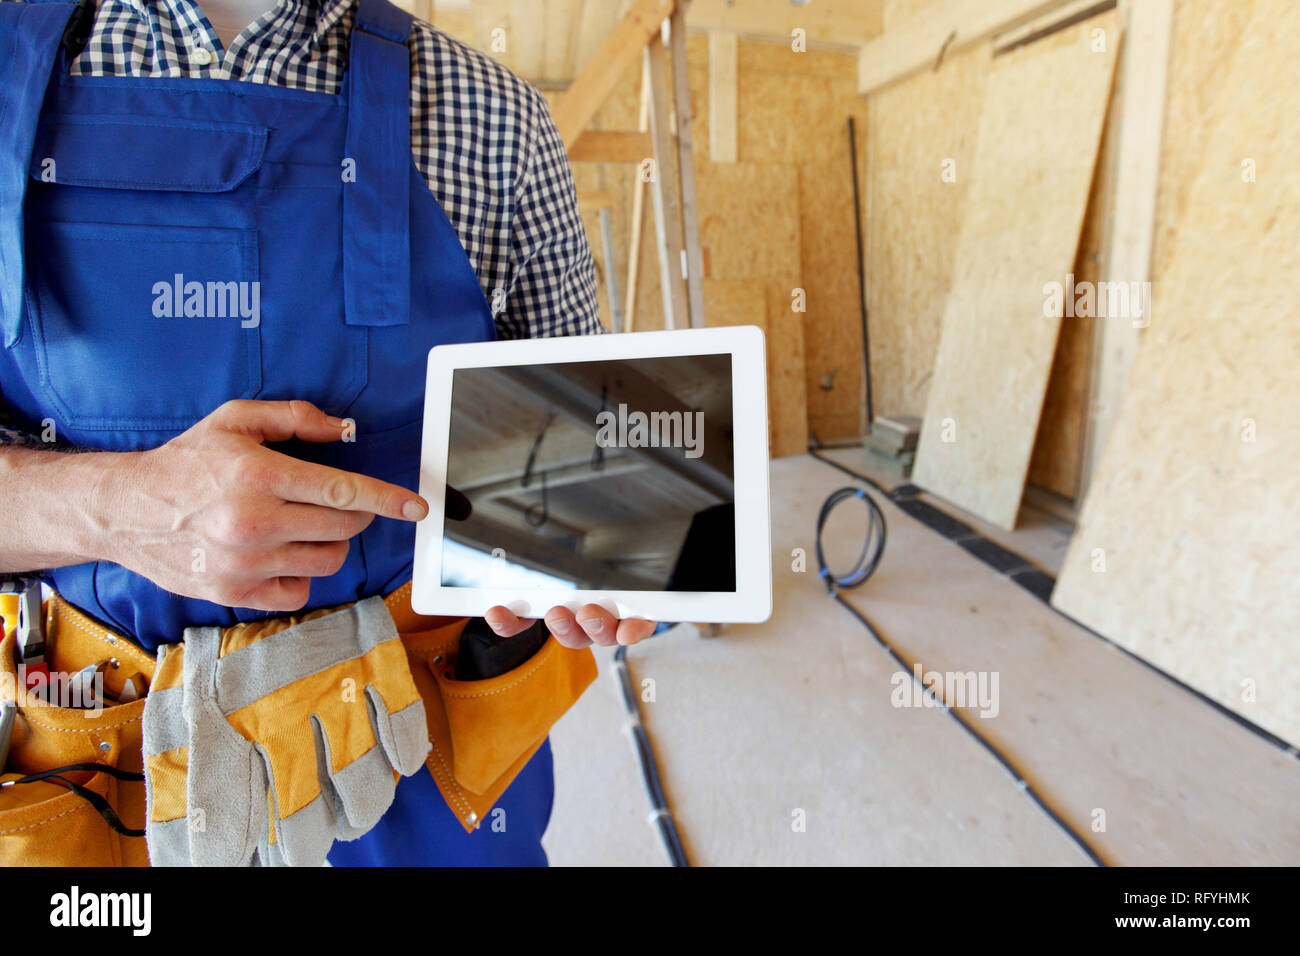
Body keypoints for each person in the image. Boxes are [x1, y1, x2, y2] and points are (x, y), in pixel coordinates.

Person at [0, 0, 655, 866]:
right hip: (109, 782)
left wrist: (603, 551)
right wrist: (116, 508)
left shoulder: (493, 119)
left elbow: (576, 474)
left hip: (414, 749)